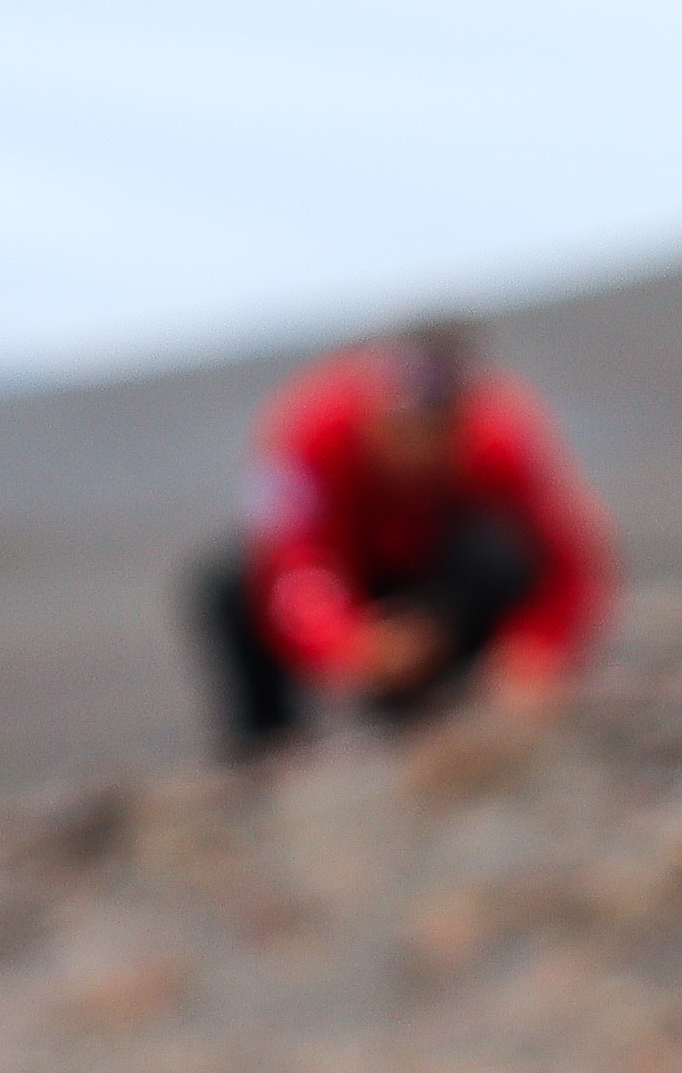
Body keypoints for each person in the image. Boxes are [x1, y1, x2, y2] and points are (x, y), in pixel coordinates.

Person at [189, 322, 610, 760]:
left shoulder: (502, 436)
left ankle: (452, 707)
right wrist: (350, 642)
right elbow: (291, 559)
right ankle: (265, 757)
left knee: (499, 552)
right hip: (351, 580)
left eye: (432, 432)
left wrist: (540, 648)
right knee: (232, 585)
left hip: (438, 580)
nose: (414, 450)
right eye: (400, 429)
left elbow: (572, 558)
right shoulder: (308, 426)